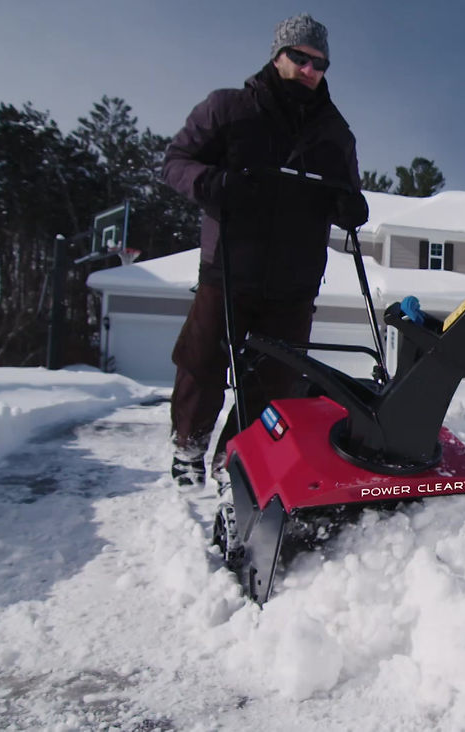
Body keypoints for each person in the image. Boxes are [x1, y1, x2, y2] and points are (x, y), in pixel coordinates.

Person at [162, 13, 369, 489]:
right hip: (230, 266)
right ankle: (188, 447)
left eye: (320, 63)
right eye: (300, 58)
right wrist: (211, 184)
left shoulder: (335, 134)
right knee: (203, 362)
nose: (310, 70)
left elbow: (351, 195)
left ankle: (234, 461)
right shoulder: (229, 109)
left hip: (295, 280)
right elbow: (174, 163)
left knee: (274, 381)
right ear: (278, 55)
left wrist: (350, 206)